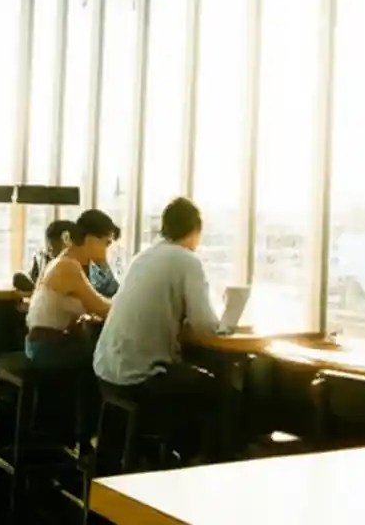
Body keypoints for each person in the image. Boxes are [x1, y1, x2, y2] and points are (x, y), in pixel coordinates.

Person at [93, 197, 220, 463]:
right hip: (139, 380)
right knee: (216, 392)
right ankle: (193, 468)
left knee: (190, 382)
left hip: (106, 373)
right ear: (195, 231)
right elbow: (205, 325)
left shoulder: (142, 257)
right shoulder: (187, 260)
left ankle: (161, 459)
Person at [25, 210, 116, 370]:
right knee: (107, 359)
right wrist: (128, 303)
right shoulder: (69, 267)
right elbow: (102, 308)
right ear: (90, 240)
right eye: (106, 243)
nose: (107, 250)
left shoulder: (61, 260)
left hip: (40, 344)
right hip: (48, 348)